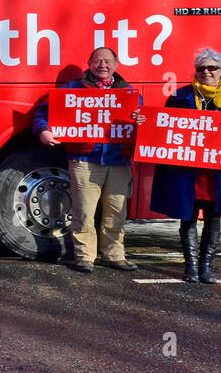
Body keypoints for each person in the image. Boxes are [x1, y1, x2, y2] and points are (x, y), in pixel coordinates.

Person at [34, 46, 141, 273]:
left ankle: (114, 255)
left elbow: (143, 122)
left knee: (116, 211)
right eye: (98, 61)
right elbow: (43, 113)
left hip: (118, 161)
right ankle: (85, 257)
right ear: (89, 64)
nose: (103, 65)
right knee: (84, 212)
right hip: (85, 159)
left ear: (116, 64)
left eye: (108, 61)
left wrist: (141, 119)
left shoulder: (129, 93)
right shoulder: (72, 89)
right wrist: (43, 130)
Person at [149, 47, 221, 283]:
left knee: (214, 218)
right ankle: (190, 266)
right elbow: (163, 130)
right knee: (187, 216)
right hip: (188, 172)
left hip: (216, 174)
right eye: (201, 69)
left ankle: (206, 266)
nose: (206, 72)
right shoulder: (179, 97)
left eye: (212, 68)